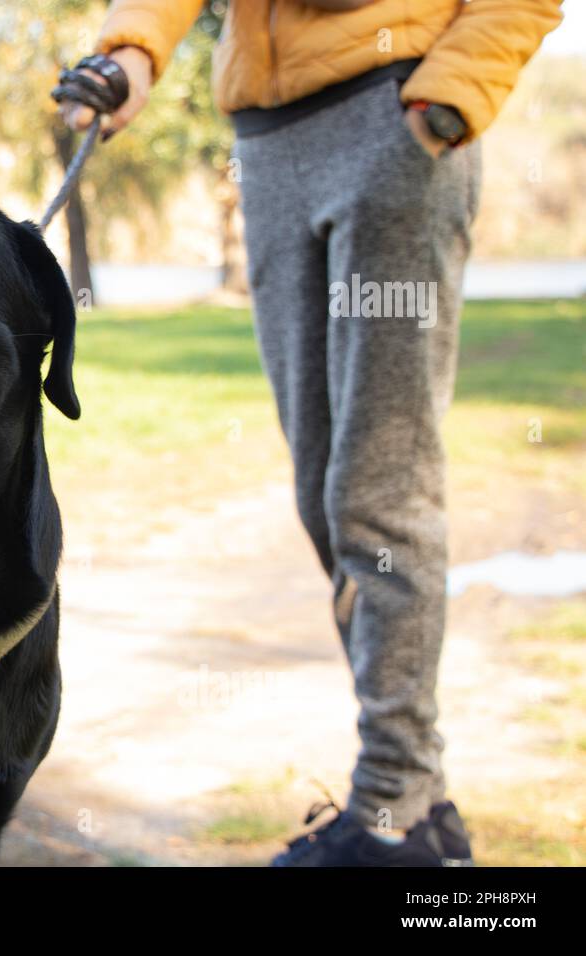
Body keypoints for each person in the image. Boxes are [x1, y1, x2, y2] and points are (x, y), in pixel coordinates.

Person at [58, 0, 564, 866]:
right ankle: (421, 806)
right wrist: (132, 52)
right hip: (266, 142)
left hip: (394, 112)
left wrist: (444, 101)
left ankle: (390, 808)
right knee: (323, 489)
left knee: (380, 489)